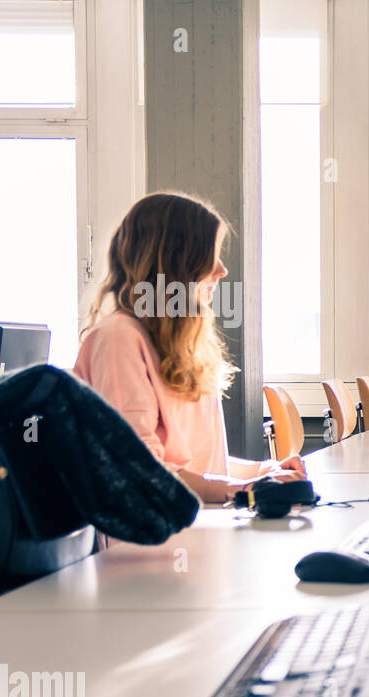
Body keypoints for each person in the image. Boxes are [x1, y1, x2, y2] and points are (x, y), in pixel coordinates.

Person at [74, 191, 305, 505]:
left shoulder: (181, 345)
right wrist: (249, 489)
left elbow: (200, 467)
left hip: (204, 529)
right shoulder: (118, 338)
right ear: (174, 264)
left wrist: (264, 472)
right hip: (157, 546)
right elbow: (142, 472)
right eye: (209, 254)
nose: (221, 270)